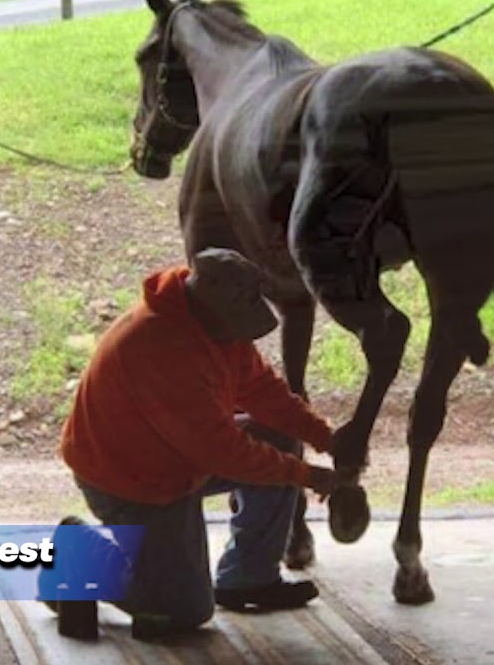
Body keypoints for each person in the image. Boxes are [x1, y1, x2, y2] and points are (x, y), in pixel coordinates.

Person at [54, 247, 337, 639]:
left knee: (280, 439)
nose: (243, 334)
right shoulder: (159, 347)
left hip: (174, 460)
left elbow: (262, 390)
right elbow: (222, 450)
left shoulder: (216, 325)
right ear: (208, 310)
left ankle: (248, 578)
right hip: (131, 482)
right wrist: (307, 475)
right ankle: (77, 557)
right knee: (184, 610)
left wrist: (327, 437)